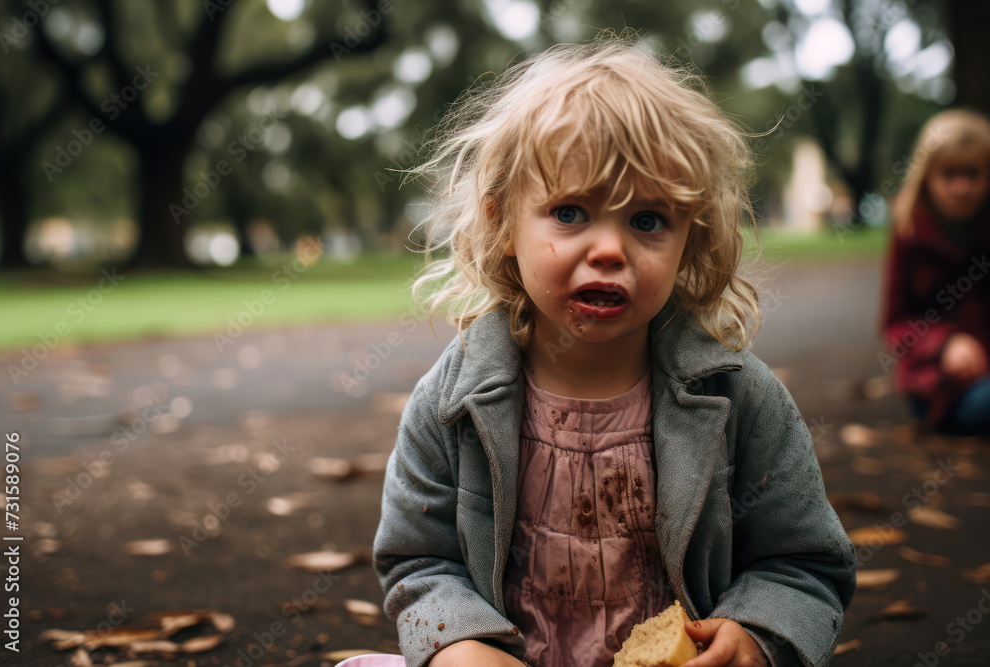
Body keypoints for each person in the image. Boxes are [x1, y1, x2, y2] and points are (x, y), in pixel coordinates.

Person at [372, 32, 856, 667]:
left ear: (692, 238)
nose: (609, 249)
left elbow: (803, 561)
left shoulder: (739, 398)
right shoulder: (454, 400)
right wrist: (456, 641)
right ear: (501, 225)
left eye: (648, 221)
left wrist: (756, 634)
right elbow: (418, 558)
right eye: (570, 212)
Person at [879, 109, 990, 437]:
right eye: (949, 174)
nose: (961, 187)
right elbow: (894, 325)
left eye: (972, 174)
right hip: (937, 385)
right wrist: (945, 344)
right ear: (926, 175)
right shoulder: (909, 231)